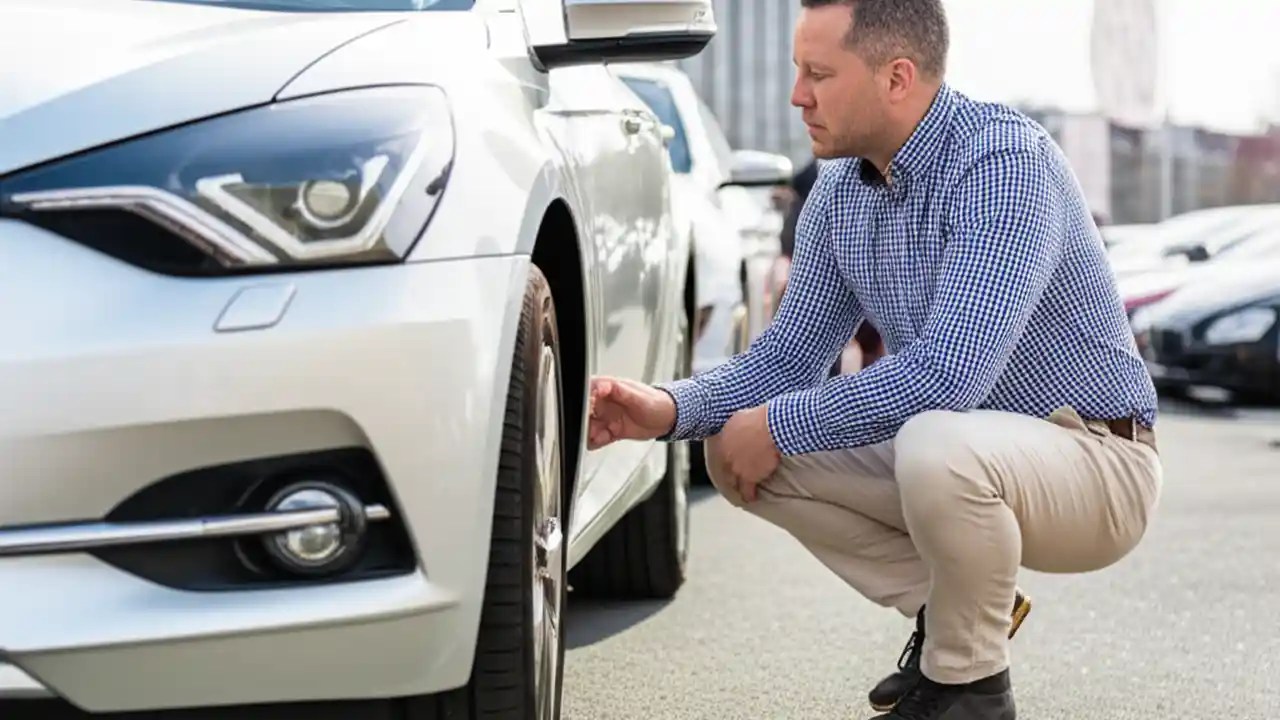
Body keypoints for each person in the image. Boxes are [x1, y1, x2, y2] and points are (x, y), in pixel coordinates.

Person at [586, 0, 1162, 718]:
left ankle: (969, 691)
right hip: (966, 455)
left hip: (1096, 462)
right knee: (733, 452)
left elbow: (951, 374)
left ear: (897, 77)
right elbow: (787, 359)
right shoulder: (839, 192)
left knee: (923, 439)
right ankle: (960, 615)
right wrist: (669, 408)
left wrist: (780, 424)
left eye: (819, 74)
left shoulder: (1005, 164)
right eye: (798, 71)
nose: (798, 95)